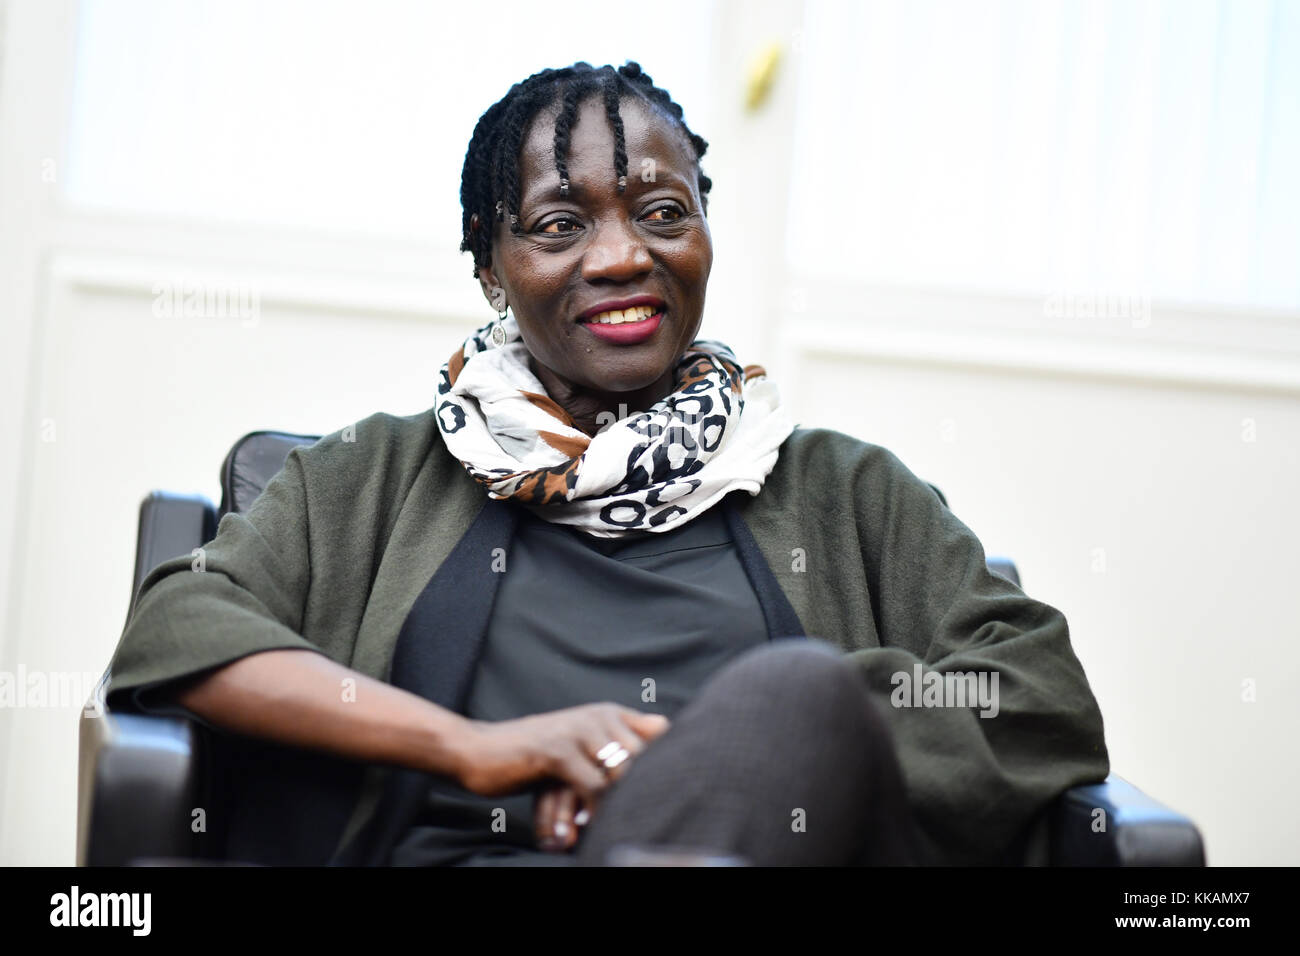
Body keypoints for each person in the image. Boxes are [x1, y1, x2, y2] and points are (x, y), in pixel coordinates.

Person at [104, 61, 1109, 867]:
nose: (623, 255)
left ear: (705, 236)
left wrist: (747, 750)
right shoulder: (371, 475)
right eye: (558, 224)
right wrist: (484, 747)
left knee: (796, 695)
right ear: (489, 264)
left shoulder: (844, 490)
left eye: (663, 212)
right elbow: (181, 627)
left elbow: (1033, 693)